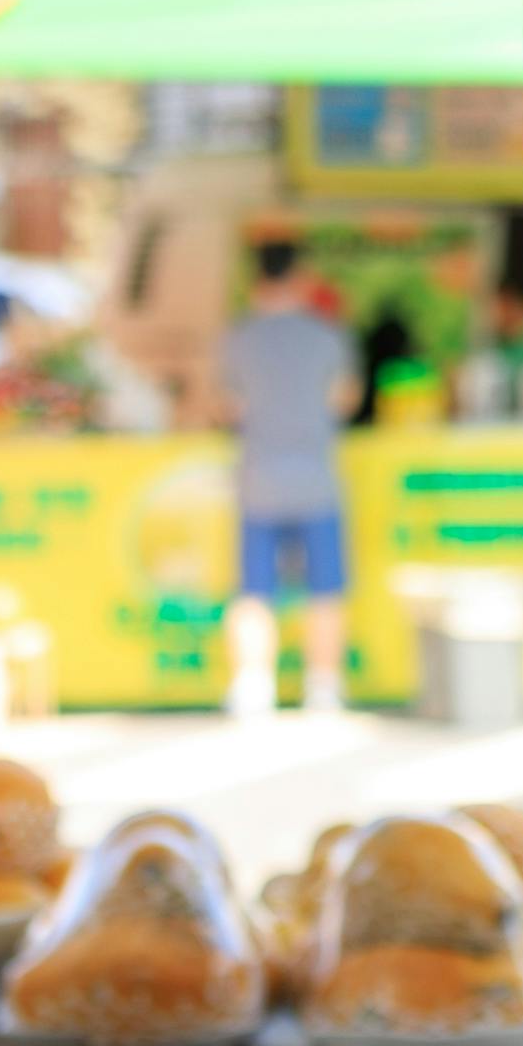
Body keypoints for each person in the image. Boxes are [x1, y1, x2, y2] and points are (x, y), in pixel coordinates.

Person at [216, 239, 357, 715]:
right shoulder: (329, 337)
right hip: (317, 478)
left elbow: (227, 406)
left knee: (254, 591)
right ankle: (324, 687)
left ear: (257, 281)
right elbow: (345, 399)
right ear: (300, 278)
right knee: (325, 589)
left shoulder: (237, 339)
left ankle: (253, 688)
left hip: (258, 479)